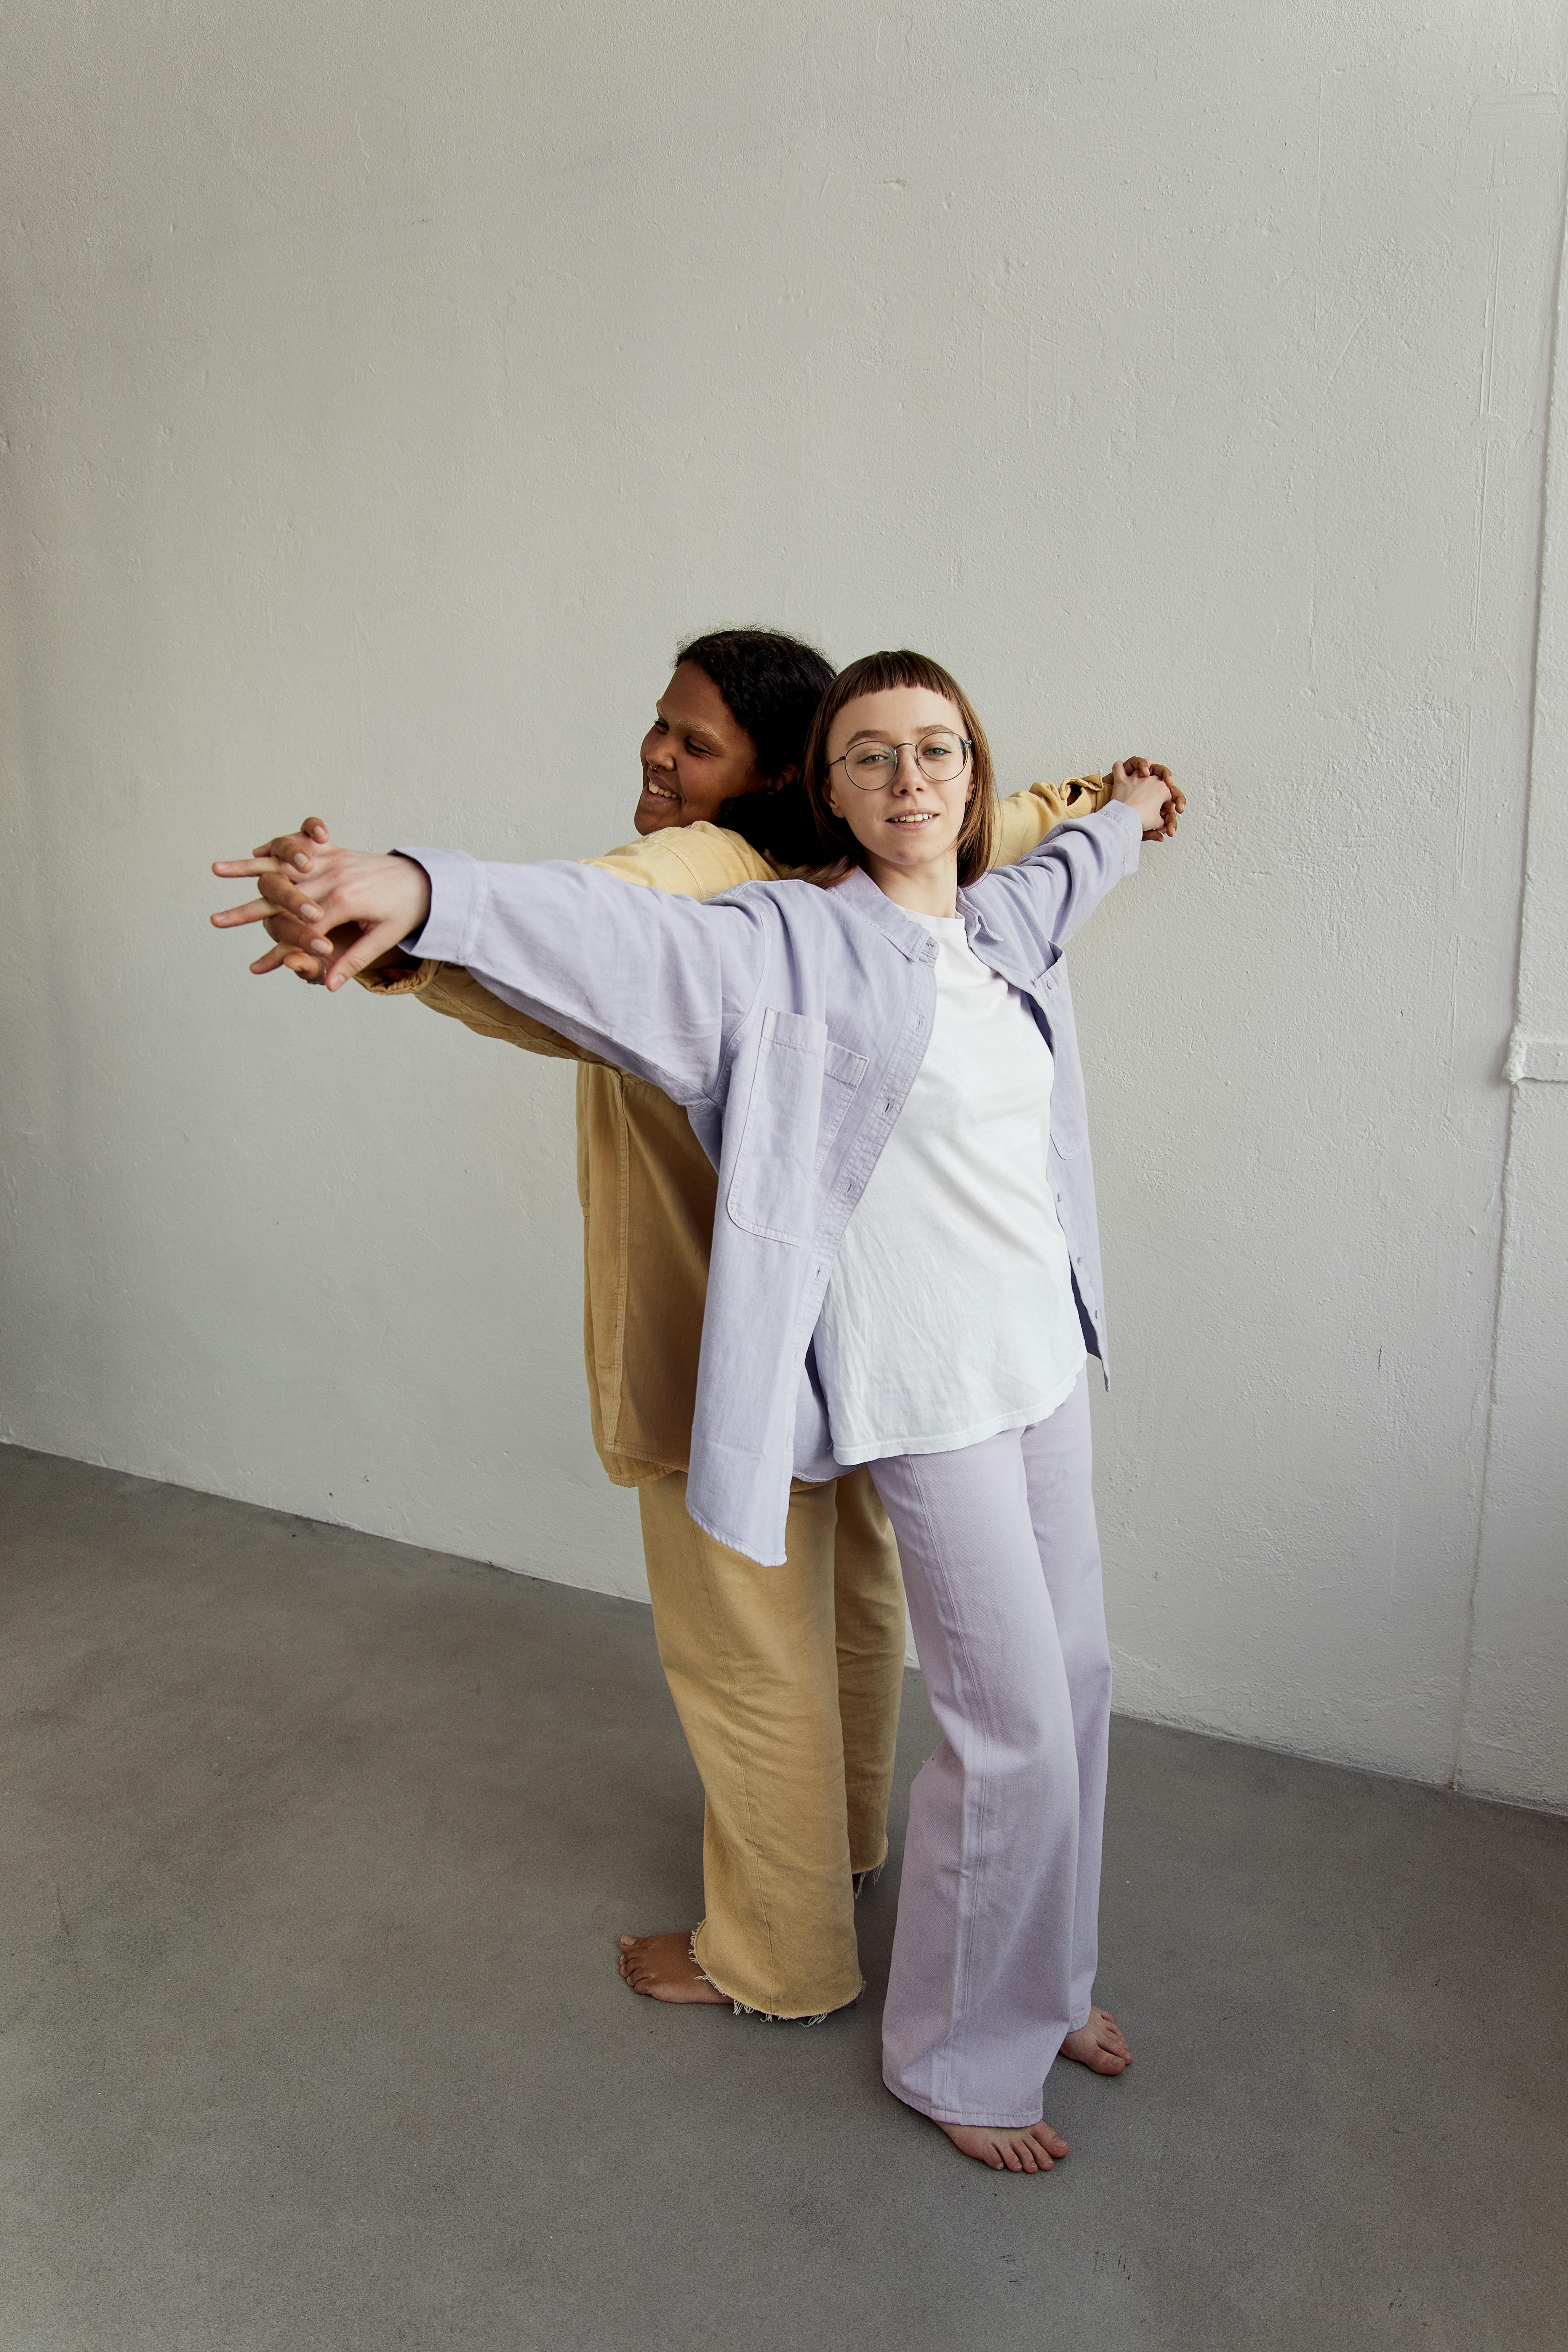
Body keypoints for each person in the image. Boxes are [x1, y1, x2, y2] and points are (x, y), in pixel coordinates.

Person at [211, 630, 1158, 2034]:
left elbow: (599, 921)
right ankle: (848, 1869)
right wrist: (407, 908)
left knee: (756, 1664)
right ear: (832, 782)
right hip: (877, 1367)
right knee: (855, 1630)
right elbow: (587, 923)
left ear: (782, 774)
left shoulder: (731, 873)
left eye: (692, 741)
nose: (659, 758)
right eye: (657, 728)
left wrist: (411, 912)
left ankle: (782, 1955)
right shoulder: (816, 896)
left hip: (734, 1344)